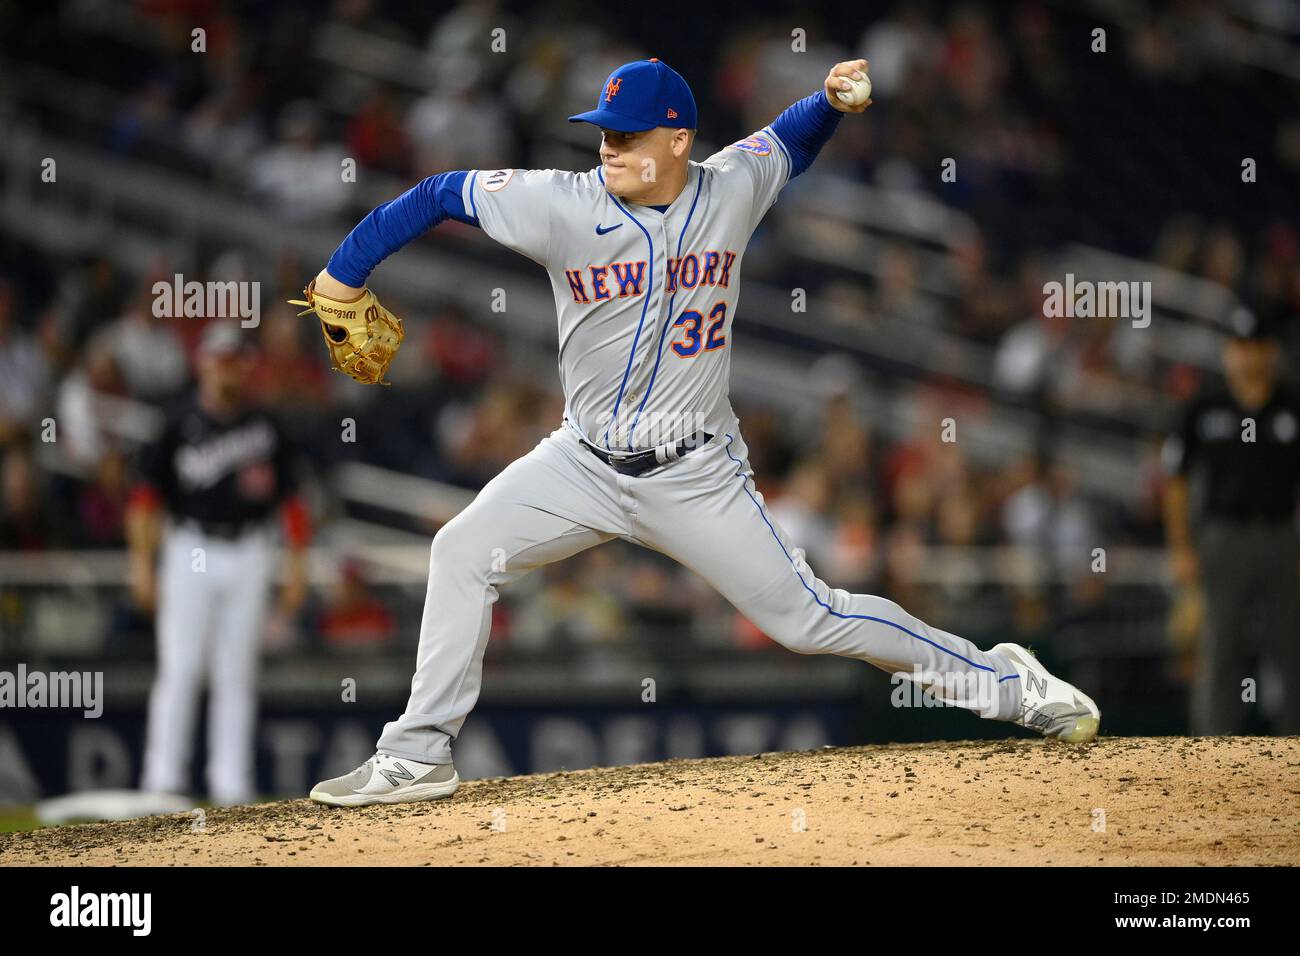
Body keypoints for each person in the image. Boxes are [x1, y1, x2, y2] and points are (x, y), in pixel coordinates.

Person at [305, 58, 1100, 808]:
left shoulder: (729, 187)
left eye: (627, 134)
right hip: (580, 463)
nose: (608, 146)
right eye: (603, 131)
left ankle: (1006, 683)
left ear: (679, 140)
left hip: (696, 474)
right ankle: (418, 752)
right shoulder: (560, 201)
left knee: (810, 620)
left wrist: (829, 101)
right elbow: (440, 192)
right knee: (460, 550)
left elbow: (788, 139)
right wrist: (344, 274)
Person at [128, 321, 311, 804]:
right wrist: (142, 564)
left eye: (236, 360)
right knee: (181, 668)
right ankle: (162, 782)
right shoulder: (176, 421)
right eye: (220, 360)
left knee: (236, 673)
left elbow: (292, 502)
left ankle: (231, 785)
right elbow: (145, 498)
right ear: (202, 364)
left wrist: (297, 566)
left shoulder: (266, 425)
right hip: (190, 548)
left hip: (251, 550)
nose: (228, 369)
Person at [1163, 304, 1300, 734]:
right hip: (1224, 538)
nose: (1247, 356)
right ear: (1227, 352)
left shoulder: (1293, 405)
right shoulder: (1205, 408)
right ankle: (1213, 757)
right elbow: (1174, 480)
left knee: (1292, 648)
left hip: (1282, 535)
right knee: (1221, 648)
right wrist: (1182, 547)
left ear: (1271, 351)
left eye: (1256, 346)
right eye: (1239, 347)